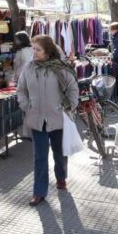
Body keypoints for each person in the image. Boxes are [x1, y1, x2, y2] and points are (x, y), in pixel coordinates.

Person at [16, 35, 79, 207]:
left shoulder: (61, 68)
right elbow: (20, 90)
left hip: (58, 118)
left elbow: (73, 88)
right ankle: (39, 192)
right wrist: (26, 105)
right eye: (33, 48)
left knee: (60, 153)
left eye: (38, 49)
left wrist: (70, 106)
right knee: (40, 157)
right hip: (36, 119)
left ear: (48, 51)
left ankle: (61, 178)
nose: (34, 52)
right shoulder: (28, 68)